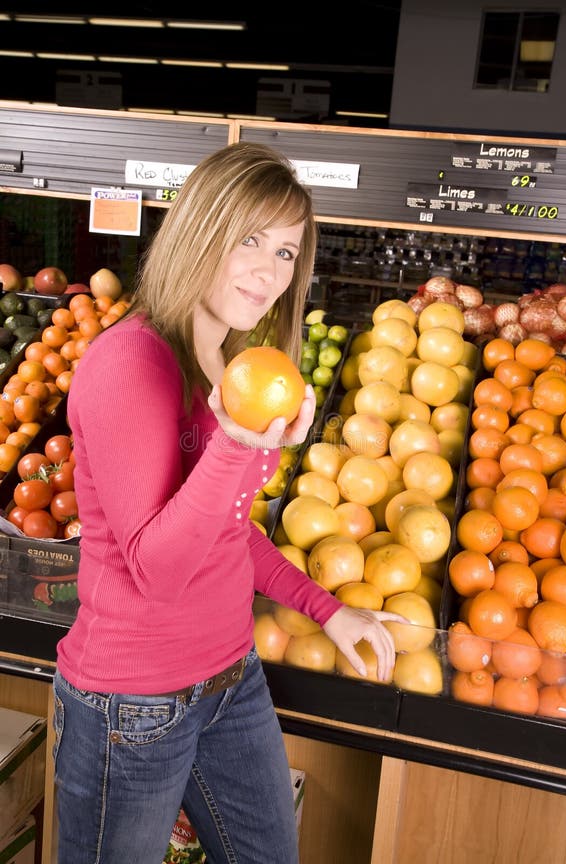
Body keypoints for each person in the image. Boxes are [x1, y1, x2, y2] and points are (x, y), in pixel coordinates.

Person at [53, 140, 404, 864]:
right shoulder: (129, 362)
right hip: (133, 705)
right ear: (198, 230)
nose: (268, 270)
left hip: (230, 679)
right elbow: (159, 568)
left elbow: (227, 532)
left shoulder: (231, 365)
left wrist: (328, 609)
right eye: (249, 239)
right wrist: (240, 445)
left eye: (285, 251)